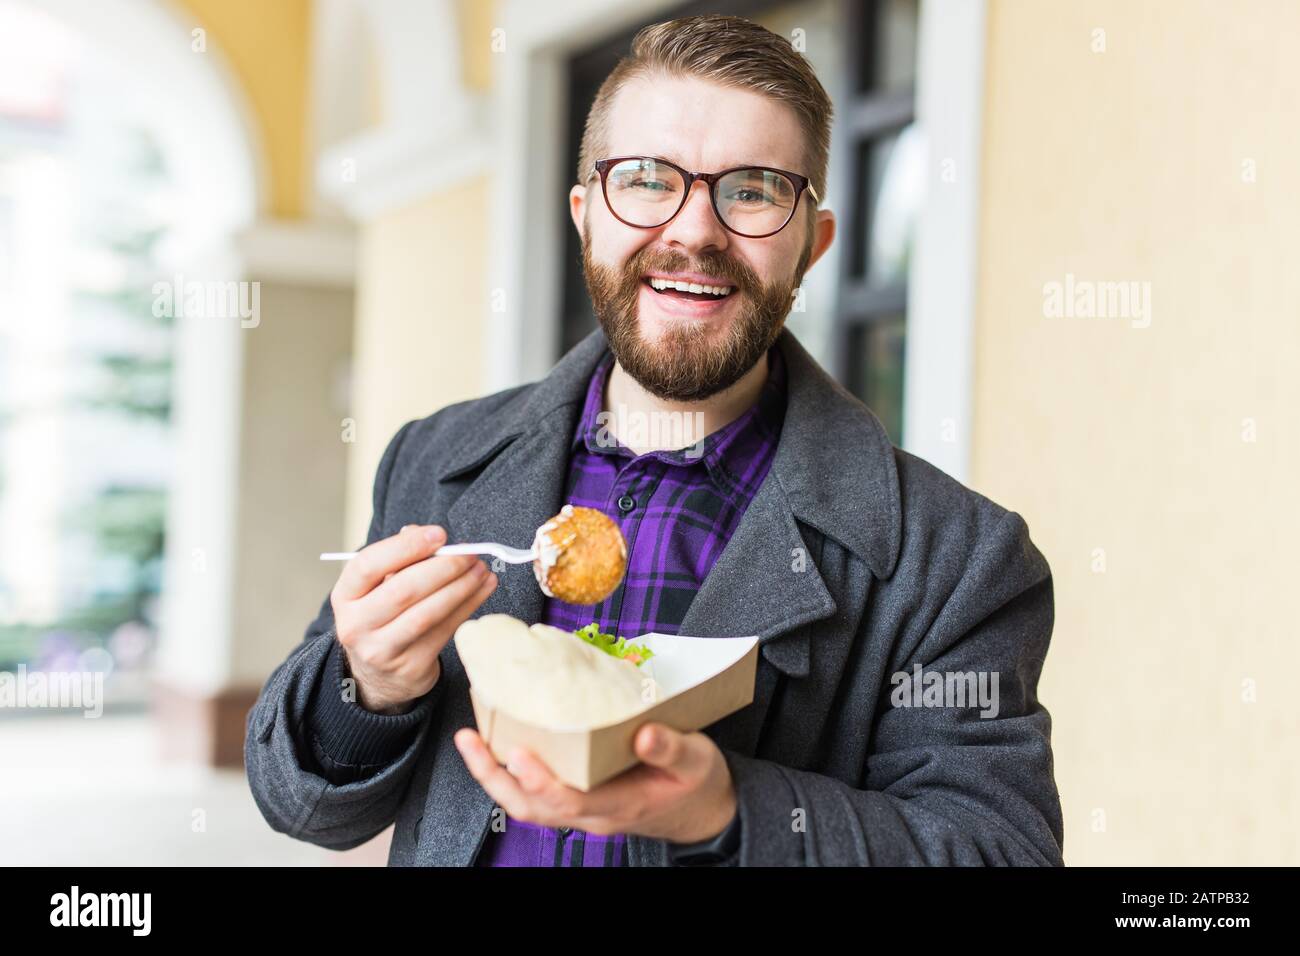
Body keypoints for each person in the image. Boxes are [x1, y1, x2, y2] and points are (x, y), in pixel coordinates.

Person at [245, 14, 1064, 867]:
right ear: (586, 217)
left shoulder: (959, 558)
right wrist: (364, 687)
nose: (695, 231)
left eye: (751, 190)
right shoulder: (433, 460)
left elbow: (1001, 852)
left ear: (812, 246)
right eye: (644, 179)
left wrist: (727, 812)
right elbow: (304, 809)